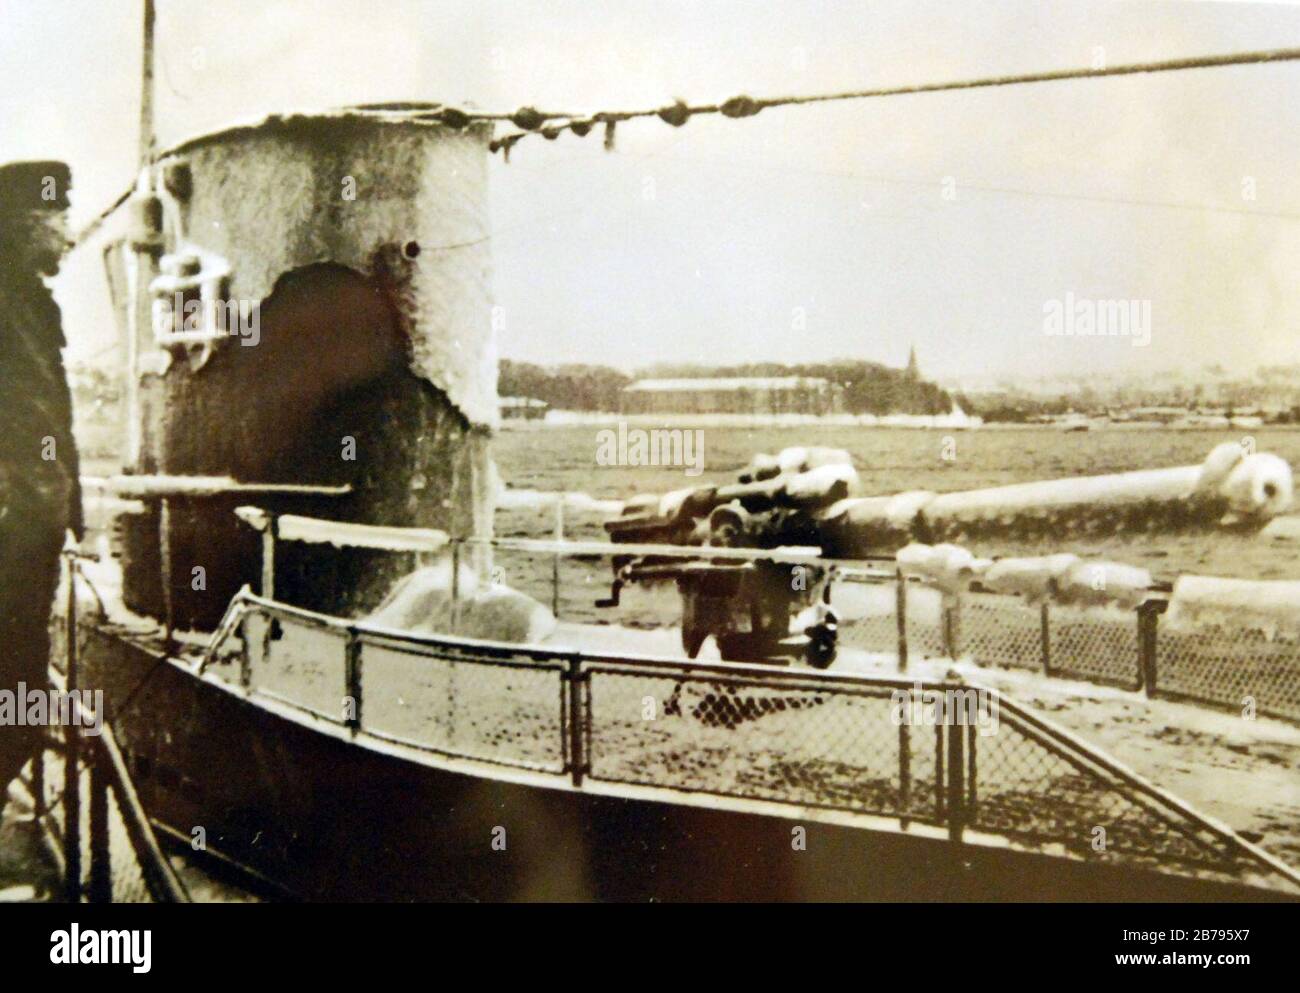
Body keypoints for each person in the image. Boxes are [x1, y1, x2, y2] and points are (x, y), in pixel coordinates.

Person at [0, 160, 82, 812]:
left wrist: (68, 512)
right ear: (27, 224)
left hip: (29, 526)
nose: (70, 236)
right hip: (15, 532)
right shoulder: (9, 302)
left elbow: (49, 416)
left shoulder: (25, 300)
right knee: (15, 692)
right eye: (60, 220)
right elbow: (28, 417)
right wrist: (43, 515)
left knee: (19, 694)